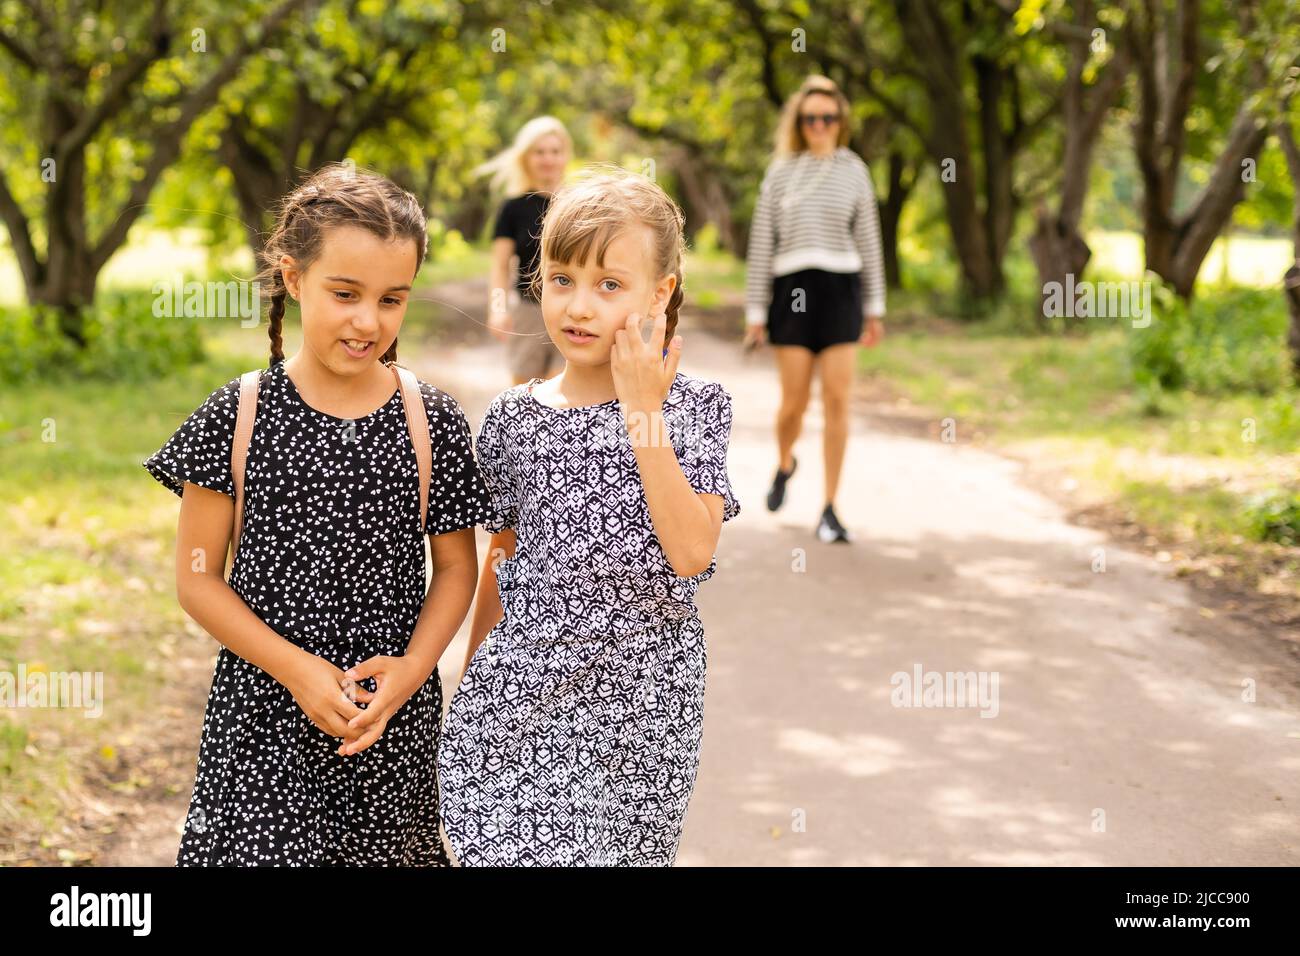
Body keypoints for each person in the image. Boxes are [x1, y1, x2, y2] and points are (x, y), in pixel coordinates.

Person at [142, 163, 495, 865]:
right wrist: (298, 670)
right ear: (293, 278)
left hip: (385, 727)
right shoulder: (236, 415)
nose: (368, 321)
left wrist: (415, 668)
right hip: (262, 724)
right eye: (345, 293)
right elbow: (197, 578)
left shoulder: (433, 421)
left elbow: (457, 568)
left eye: (392, 299)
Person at [437, 168, 741, 866]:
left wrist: (644, 414)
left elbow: (692, 552)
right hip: (520, 696)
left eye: (610, 285)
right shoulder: (514, 419)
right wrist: (471, 683)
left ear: (660, 293)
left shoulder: (697, 408)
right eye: (562, 279)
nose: (579, 306)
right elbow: (501, 560)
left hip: (640, 711)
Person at [744, 74, 886, 543]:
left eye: (828, 117)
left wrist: (874, 306)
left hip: (842, 290)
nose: (820, 125)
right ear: (799, 123)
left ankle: (829, 506)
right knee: (794, 404)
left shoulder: (855, 170)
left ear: (840, 121)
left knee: (838, 401)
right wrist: (755, 313)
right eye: (811, 119)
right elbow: (762, 245)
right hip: (792, 293)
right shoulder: (780, 173)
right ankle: (785, 462)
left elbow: (869, 241)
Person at [476, 115, 573, 384]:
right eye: (539, 152)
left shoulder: (578, 204)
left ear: (565, 156)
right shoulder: (513, 208)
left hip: (573, 309)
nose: (548, 159)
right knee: (527, 394)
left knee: (566, 389)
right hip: (530, 312)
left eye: (555, 151)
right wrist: (498, 308)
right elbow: (499, 265)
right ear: (526, 158)